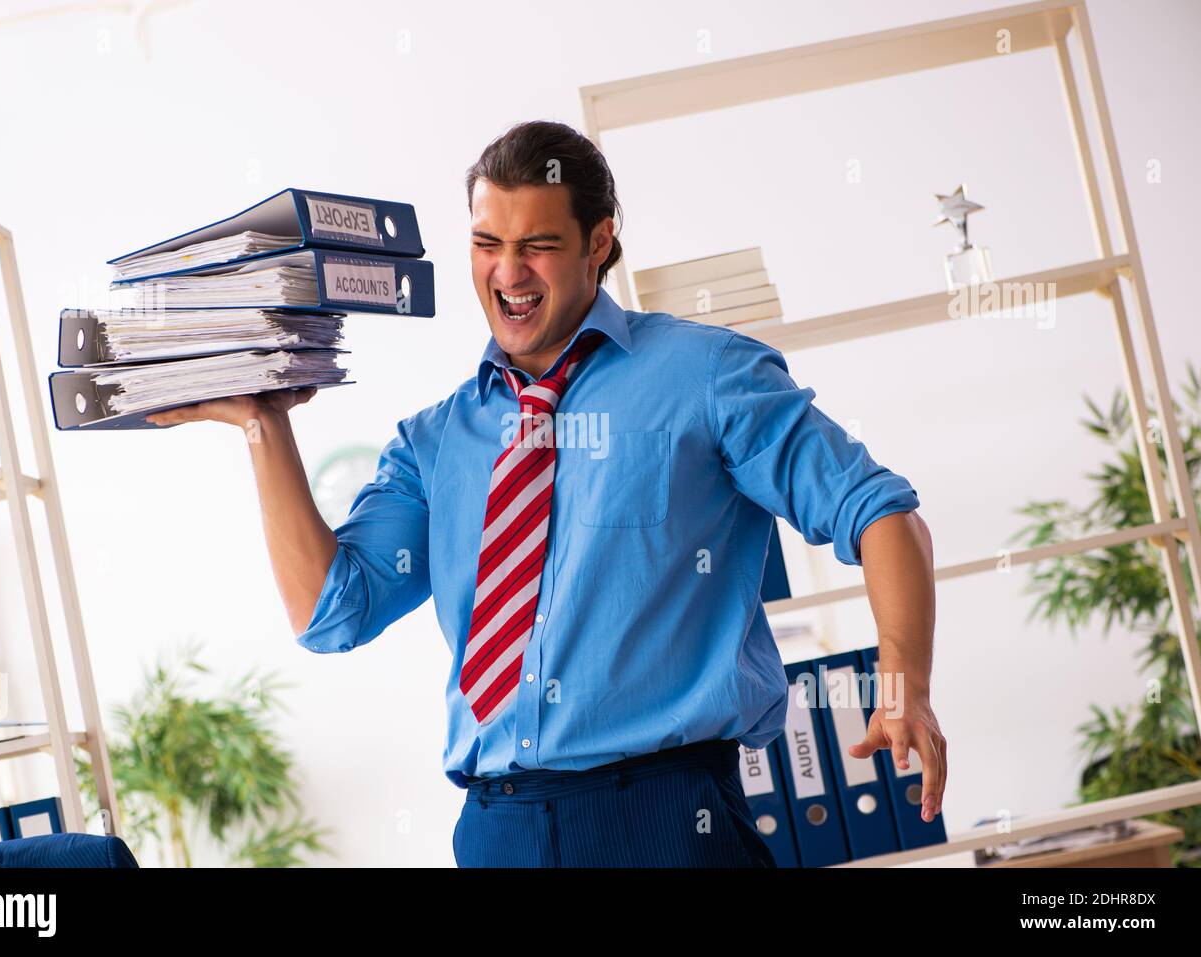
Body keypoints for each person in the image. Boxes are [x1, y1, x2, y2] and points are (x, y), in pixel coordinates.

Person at [145, 119, 945, 868]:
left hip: (668, 820)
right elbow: (331, 612)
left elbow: (880, 512)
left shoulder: (704, 375)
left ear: (600, 243)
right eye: (487, 243)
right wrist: (260, 423)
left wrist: (905, 685)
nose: (508, 271)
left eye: (539, 245)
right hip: (500, 829)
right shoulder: (436, 440)